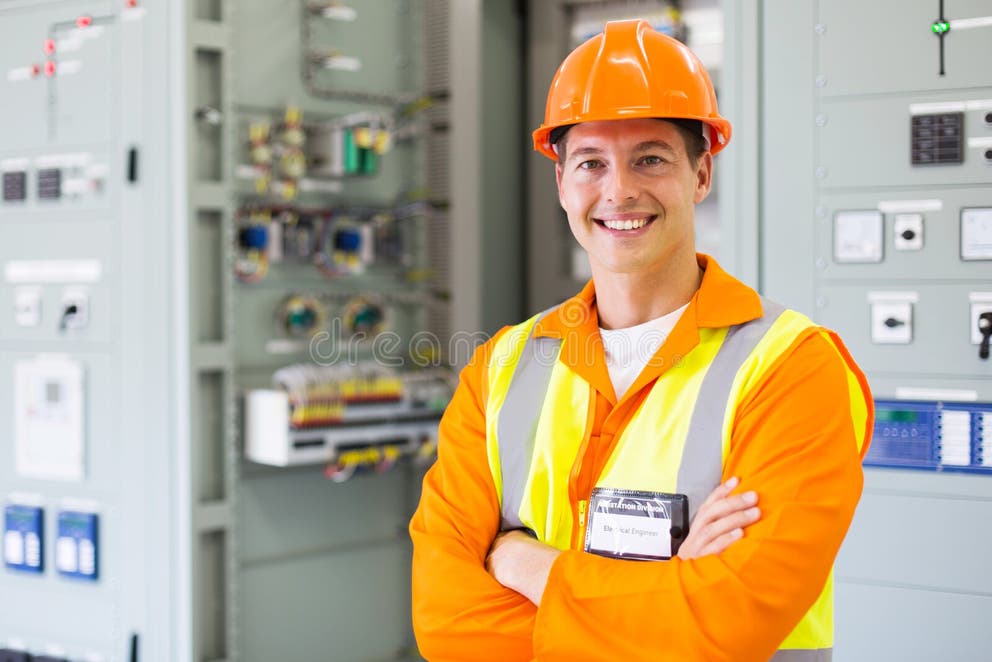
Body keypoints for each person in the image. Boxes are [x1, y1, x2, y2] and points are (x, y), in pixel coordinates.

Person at [410, 19, 872, 662]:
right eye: (590, 163)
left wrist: (522, 562)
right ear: (562, 184)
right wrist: (668, 592)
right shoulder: (501, 366)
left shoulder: (792, 367)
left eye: (650, 158)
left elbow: (730, 622)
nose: (619, 189)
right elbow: (446, 621)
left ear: (701, 174)